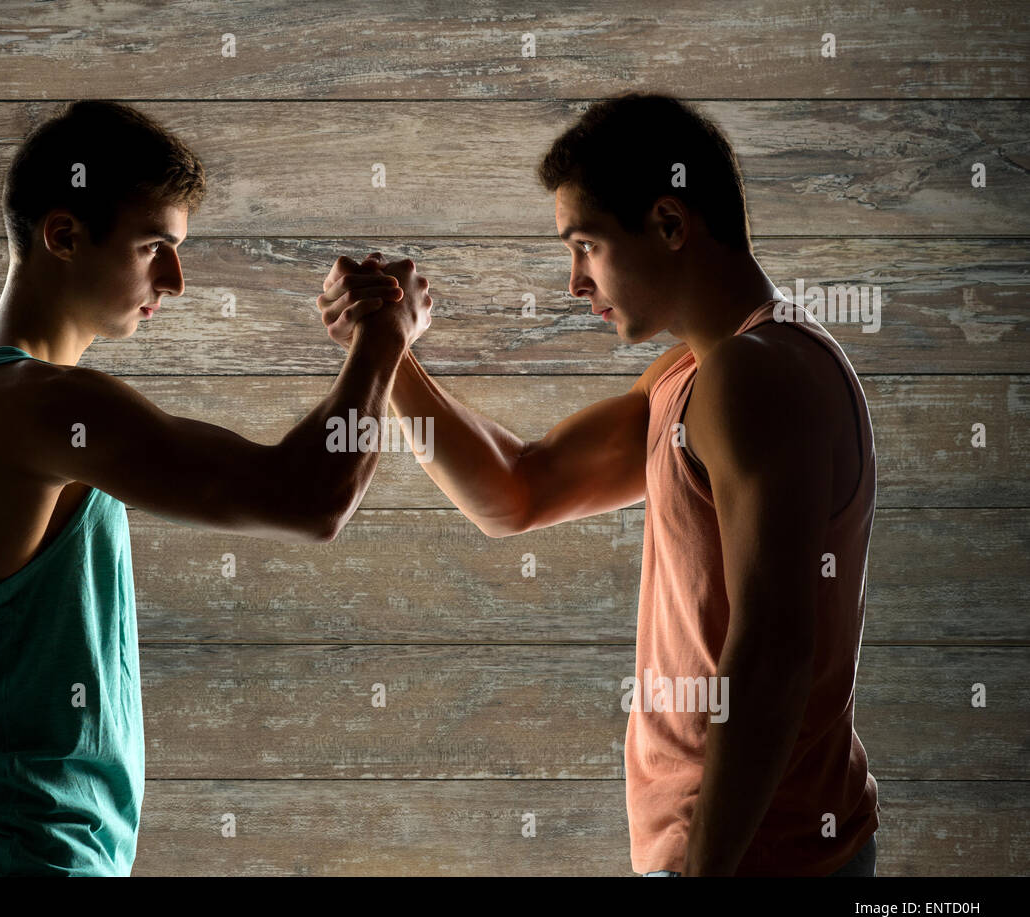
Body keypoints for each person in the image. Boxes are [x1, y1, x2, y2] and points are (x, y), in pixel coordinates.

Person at [319, 92, 880, 876]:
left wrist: (706, 871)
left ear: (670, 224)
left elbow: (772, 651)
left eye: (585, 245)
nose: (576, 281)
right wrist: (390, 347)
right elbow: (516, 491)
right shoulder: (700, 374)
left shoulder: (753, 379)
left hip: (757, 859)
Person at [0, 100, 430, 876]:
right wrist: (384, 334)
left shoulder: (2, 402)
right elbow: (309, 497)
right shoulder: (38, 407)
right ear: (64, 235)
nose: (174, 279)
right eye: (154, 247)